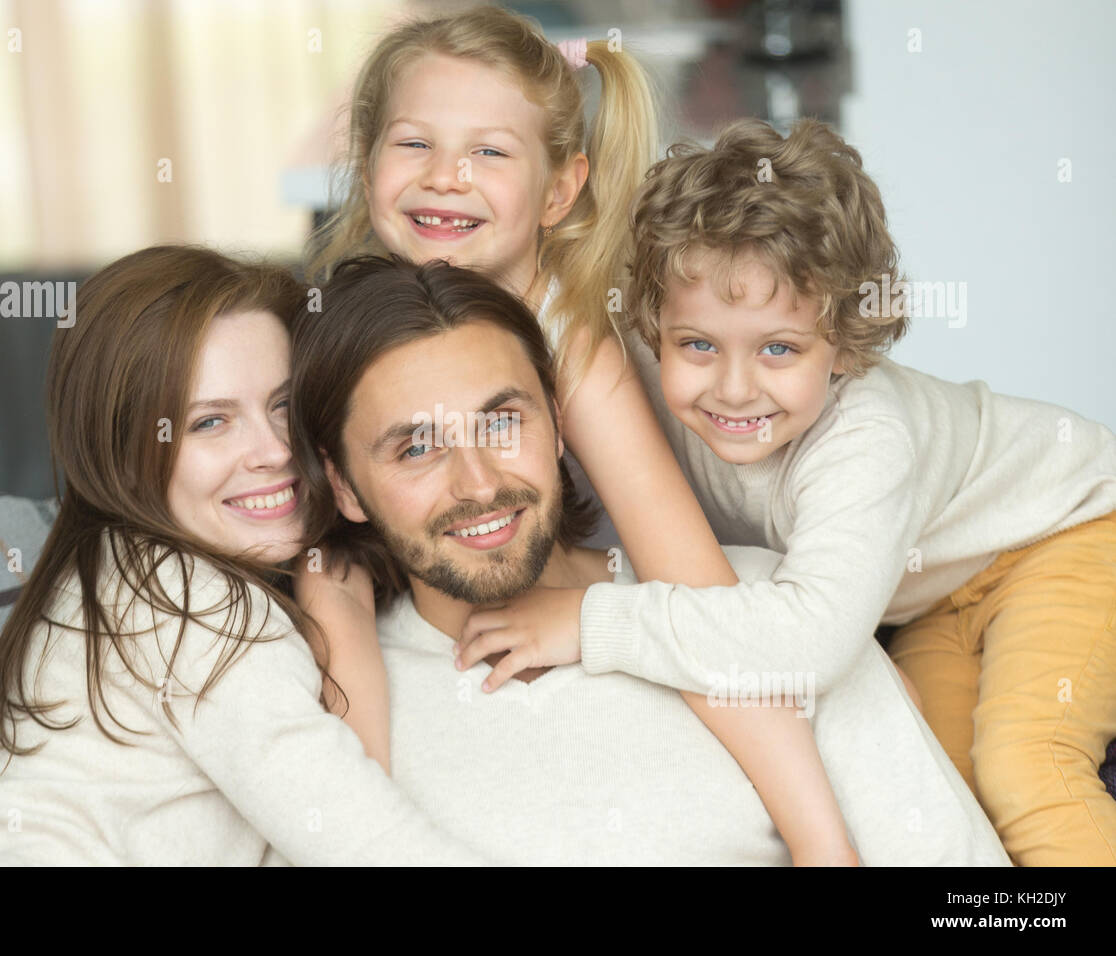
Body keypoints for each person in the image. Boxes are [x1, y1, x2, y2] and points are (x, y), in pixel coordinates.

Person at [469, 118, 1116, 866]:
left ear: (844, 340)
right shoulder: (643, 369)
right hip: (937, 595)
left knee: (1025, 764)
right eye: (698, 345)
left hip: (1069, 537)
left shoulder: (869, 438)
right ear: (652, 329)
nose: (734, 388)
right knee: (945, 786)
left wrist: (595, 623)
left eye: (779, 348)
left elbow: (809, 642)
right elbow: (551, 301)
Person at [301, 2, 858, 865]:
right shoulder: (343, 314)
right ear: (365, 159)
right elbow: (328, 564)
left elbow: (707, 608)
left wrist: (824, 848)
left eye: (489, 152)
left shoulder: (573, 342)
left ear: (560, 191)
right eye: (414, 144)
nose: (446, 176)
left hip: (856, 550)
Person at [287, 252, 1009, 866]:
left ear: (561, 426)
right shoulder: (334, 721)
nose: (478, 484)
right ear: (345, 485)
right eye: (417, 447)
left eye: (504, 421)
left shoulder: (761, 620)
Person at [0, 244, 488, 866]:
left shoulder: (113, 572)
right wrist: (343, 625)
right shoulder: (187, 599)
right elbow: (363, 844)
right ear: (124, 456)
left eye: (283, 406)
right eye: (210, 423)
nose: (272, 451)